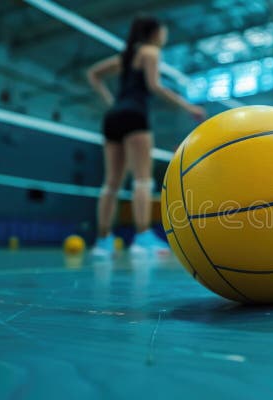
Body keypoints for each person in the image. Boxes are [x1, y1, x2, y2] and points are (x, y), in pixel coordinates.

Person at [86, 16, 205, 257]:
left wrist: (111, 102)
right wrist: (188, 106)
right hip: (135, 115)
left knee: (111, 183)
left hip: (114, 116)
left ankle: (102, 241)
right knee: (142, 179)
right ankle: (142, 238)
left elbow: (93, 74)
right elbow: (154, 85)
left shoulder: (125, 57)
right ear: (155, 33)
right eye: (163, 31)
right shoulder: (150, 51)